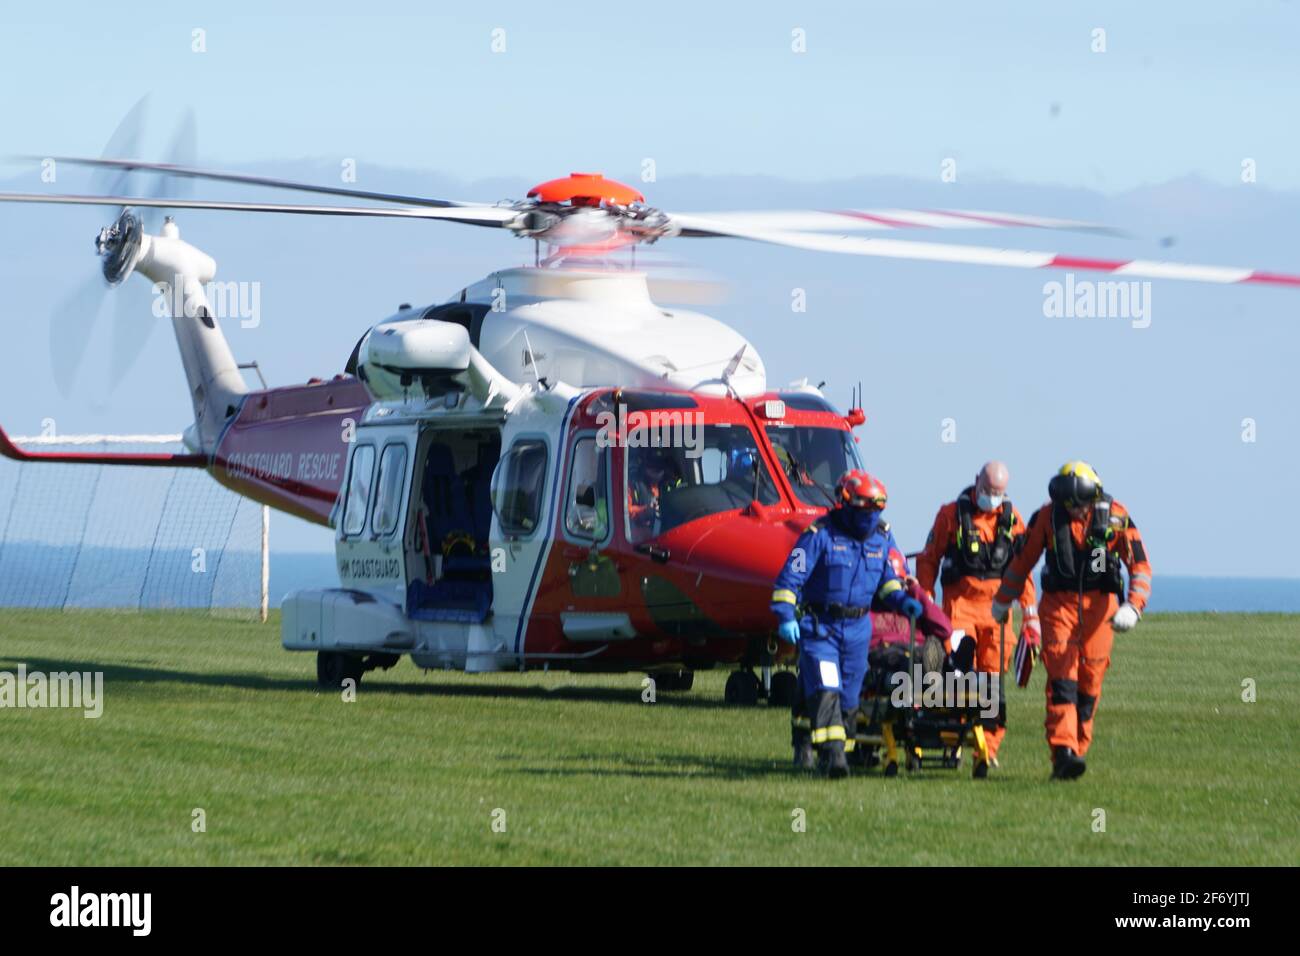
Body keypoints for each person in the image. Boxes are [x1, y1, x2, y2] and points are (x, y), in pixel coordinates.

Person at [991, 461, 1152, 780]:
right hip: (1058, 606)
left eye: (1077, 504)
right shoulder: (1047, 518)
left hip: (1101, 611)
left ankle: (1077, 749)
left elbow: (1140, 565)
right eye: (1066, 503)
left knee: (1089, 685)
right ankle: (1062, 751)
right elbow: (1022, 562)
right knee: (1063, 680)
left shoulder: (1117, 517)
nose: (1072, 509)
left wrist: (1133, 607)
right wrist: (1003, 599)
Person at [771, 471, 923, 778]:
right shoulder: (820, 535)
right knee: (827, 687)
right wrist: (786, 616)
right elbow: (790, 578)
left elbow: (887, 581)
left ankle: (843, 751)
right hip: (821, 627)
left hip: (858, 631)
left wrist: (901, 600)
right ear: (847, 503)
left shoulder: (881, 538)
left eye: (875, 509)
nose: (870, 516)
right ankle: (834, 756)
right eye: (865, 508)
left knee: (850, 696)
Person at [916, 461, 1039, 777]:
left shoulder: (1012, 521)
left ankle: (989, 749)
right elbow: (929, 560)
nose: (992, 498)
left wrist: (1030, 613)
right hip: (960, 609)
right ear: (976, 483)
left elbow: (1022, 569)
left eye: (998, 493)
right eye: (987, 491)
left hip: (998, 612)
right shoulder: (951, 515)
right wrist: (927, 599)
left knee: (992, 682)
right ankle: (951, 740)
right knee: (957, 678)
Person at [627, 449, 683, 540]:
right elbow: (624, 513)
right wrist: (646, 510)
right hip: (641, 539)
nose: (656, 470)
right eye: (652, 466)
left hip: (670, 534)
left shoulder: (672, 486)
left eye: (660, 466)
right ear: (645, 465)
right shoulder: (633, 484)